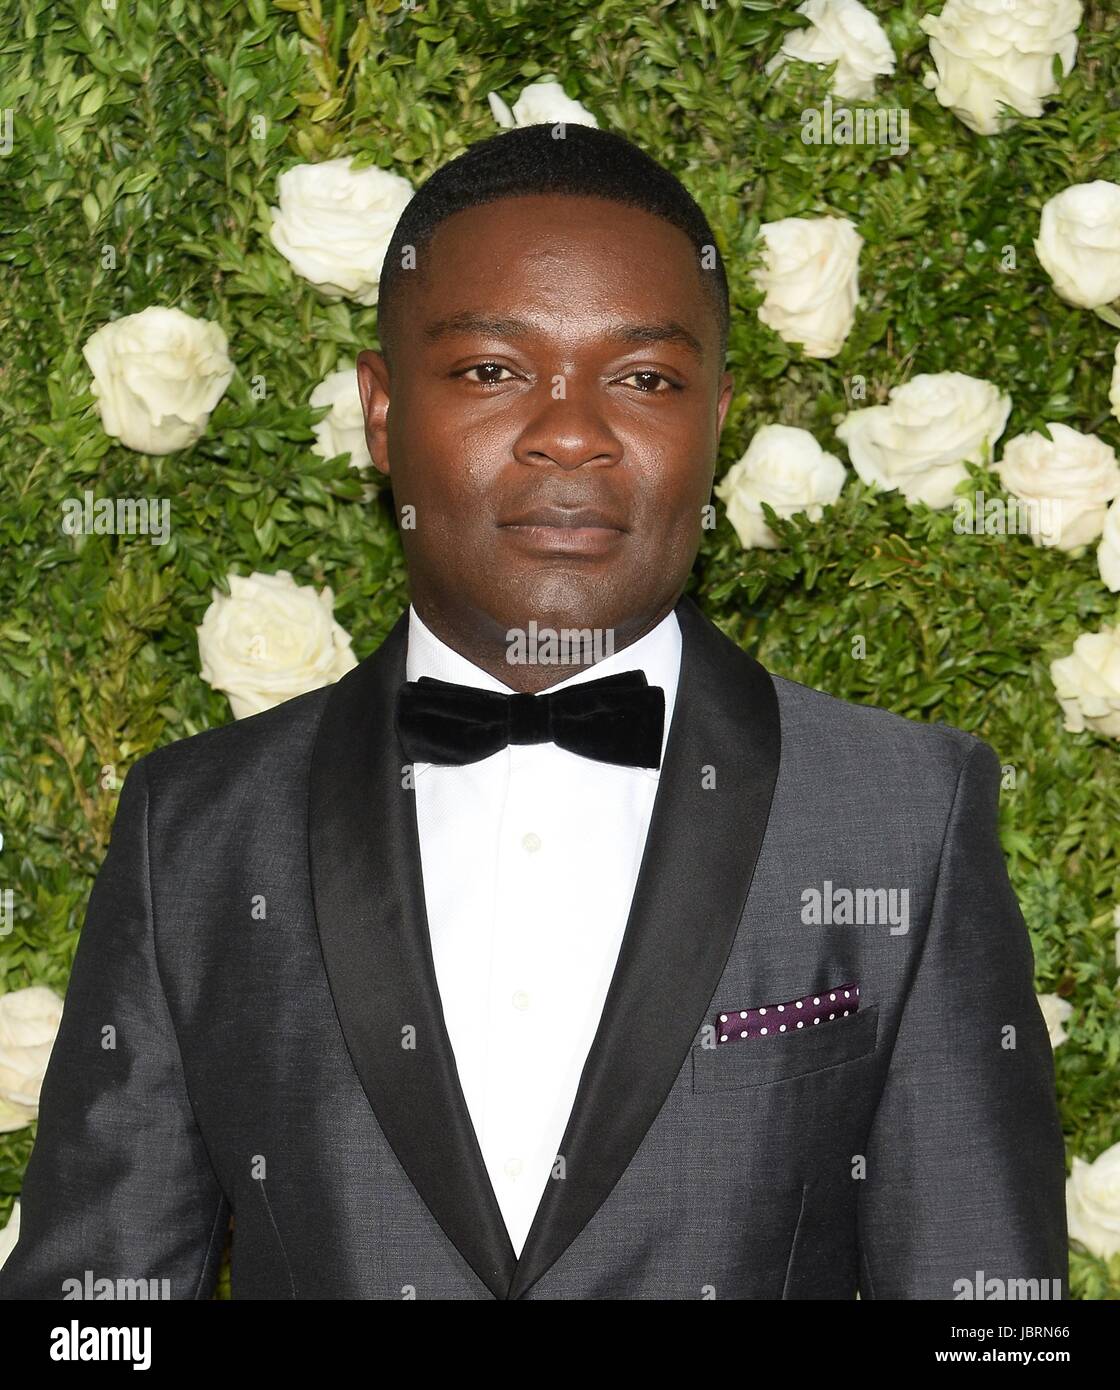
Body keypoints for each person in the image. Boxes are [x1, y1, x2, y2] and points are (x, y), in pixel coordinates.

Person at [0, 123, 1067, 1300]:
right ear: (382, 411)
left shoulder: (900, 817)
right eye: (493, 370)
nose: (571, 429)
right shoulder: (195, 827)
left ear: (715, 417)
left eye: (644, 378)